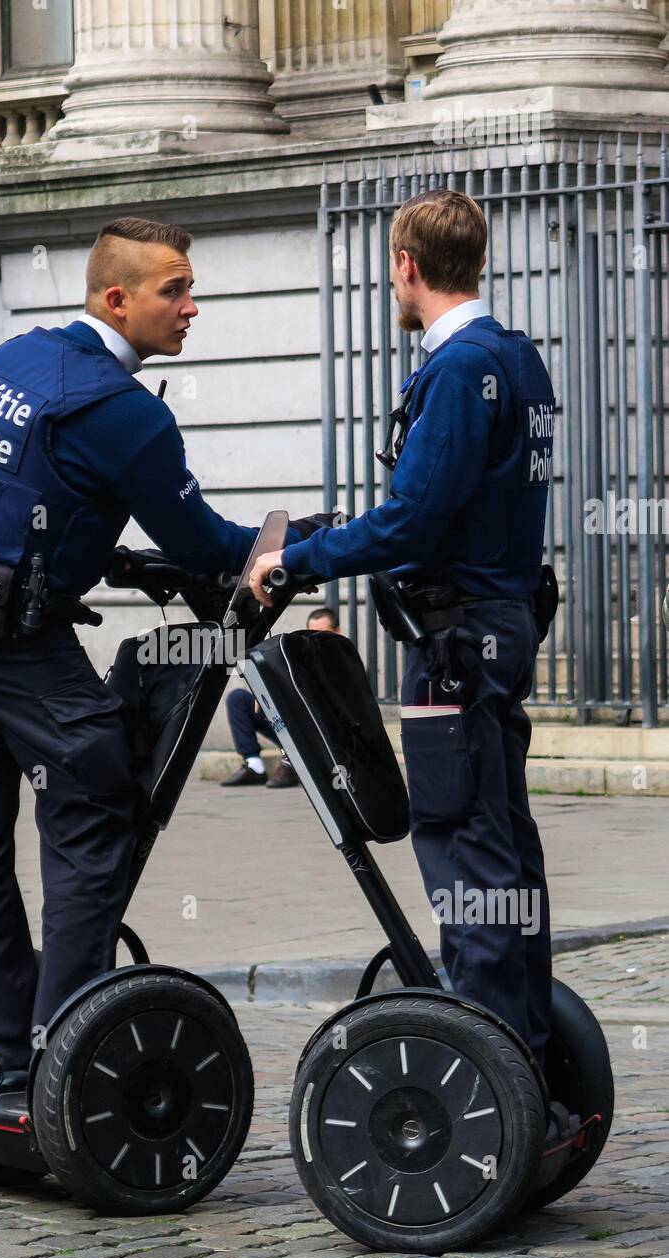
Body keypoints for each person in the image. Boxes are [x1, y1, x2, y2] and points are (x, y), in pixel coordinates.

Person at [0, 217, 317, 1104]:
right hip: (7, 640)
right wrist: (309, 542)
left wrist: (100, 556)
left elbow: (14, 495)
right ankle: (60, 1059)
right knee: (93, 810)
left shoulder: (10, 359)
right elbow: (208, 543)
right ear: (115, 299)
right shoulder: (123, 411)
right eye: (174, 290)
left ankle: (3, 1065)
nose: (192, 307)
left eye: (191, 287)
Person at [248, 190, 556, 1080]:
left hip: (455, 646)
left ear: (406, 267)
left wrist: (295, 565)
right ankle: (526, 1048)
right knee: (504, 845)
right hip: (498, 626)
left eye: (392, 265)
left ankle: (498, 1070)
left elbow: (413, 520)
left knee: (464, 845)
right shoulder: (516, 359)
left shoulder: (458, 370)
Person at [221, 606, 341, 788]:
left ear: (337, 633)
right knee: (238, 698)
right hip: (285, 722)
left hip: (316, 731)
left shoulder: (344, 663)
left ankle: (292, 762)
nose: (315, 639)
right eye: (310, 634)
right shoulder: (299, 656)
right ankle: (254, 765)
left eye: (322, 634)